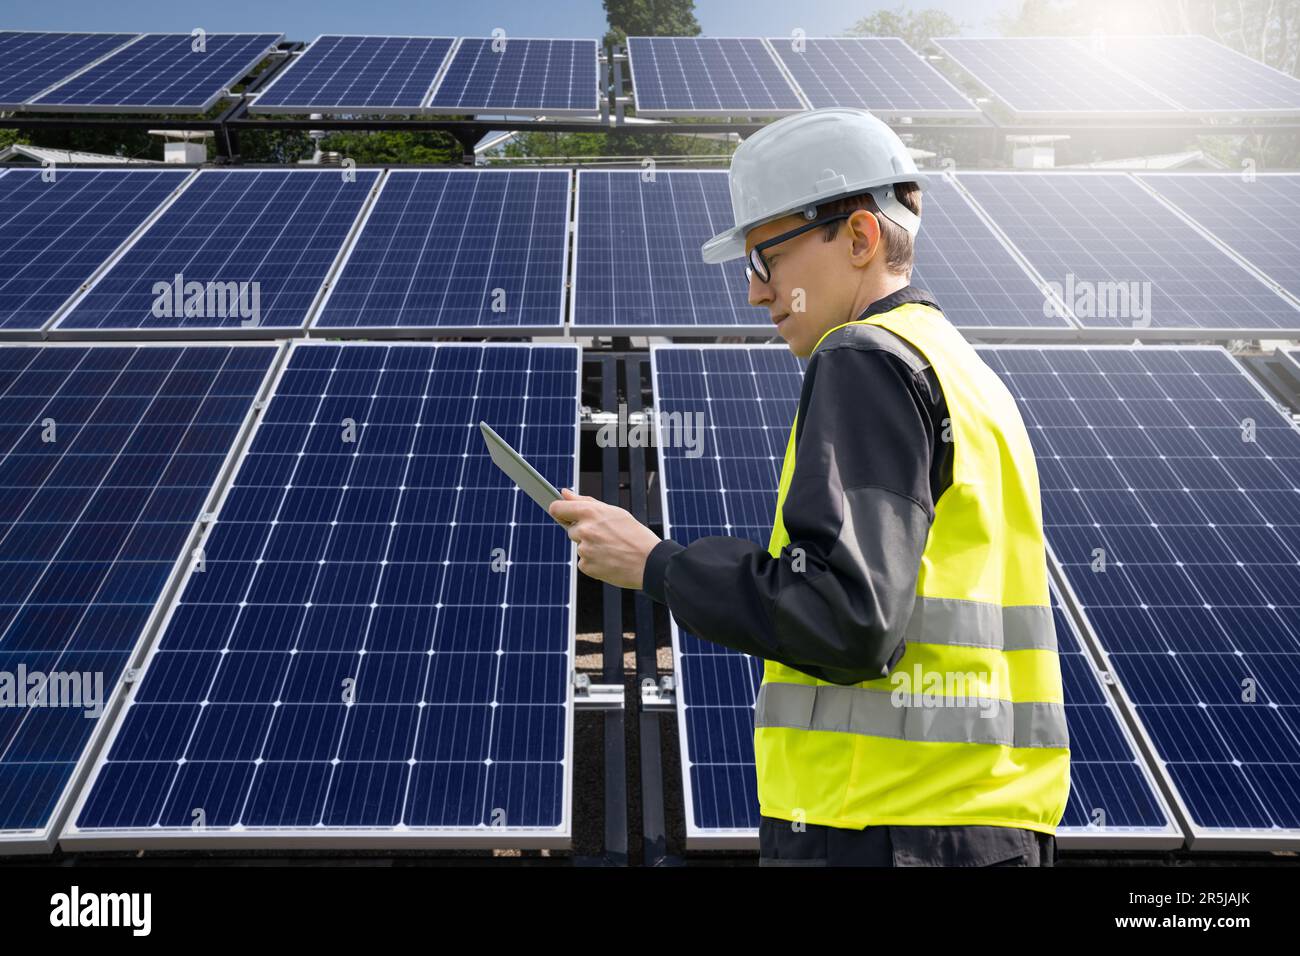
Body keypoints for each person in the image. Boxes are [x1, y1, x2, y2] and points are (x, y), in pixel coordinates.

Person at [549, 107, 1069, 866]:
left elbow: (847, 616)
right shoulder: (965, 371)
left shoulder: (863, 358)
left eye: (766, 259)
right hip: (986, 823)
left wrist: (657, 565)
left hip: (880, 826)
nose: (756, 292)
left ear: (857, 237)